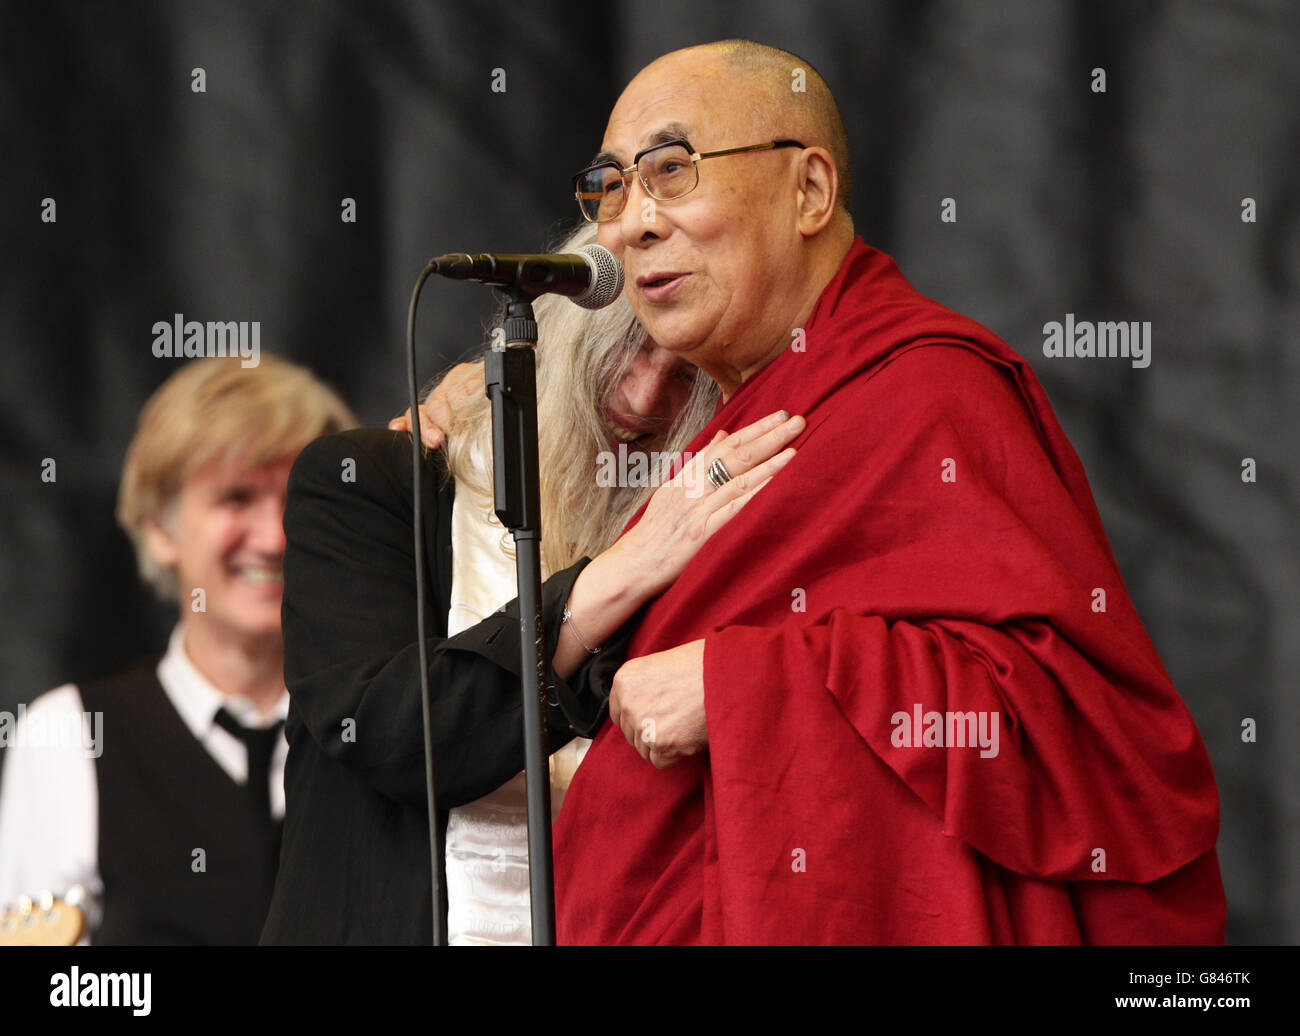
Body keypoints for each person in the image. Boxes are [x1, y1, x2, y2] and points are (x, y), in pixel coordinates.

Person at [551, 40, 1227, 944]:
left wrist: (740, 686)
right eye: (611, 187)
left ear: (809, 191)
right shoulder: (718, 423)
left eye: (672, 171)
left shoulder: (927, 388)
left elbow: (1082, 731)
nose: (630, 224)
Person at [259, 222, 804, 944]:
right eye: (628, 347)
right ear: (564, 337)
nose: (644, 399)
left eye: (687, 377)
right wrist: (619, 576)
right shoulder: (371, 483)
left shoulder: (697, 531)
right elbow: (395, 736)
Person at [0, 355, 356, 944]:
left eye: (299, 499)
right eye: (236, 498)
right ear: (160, 528)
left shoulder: (378, 728)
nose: (274, 537)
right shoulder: (68, 735)